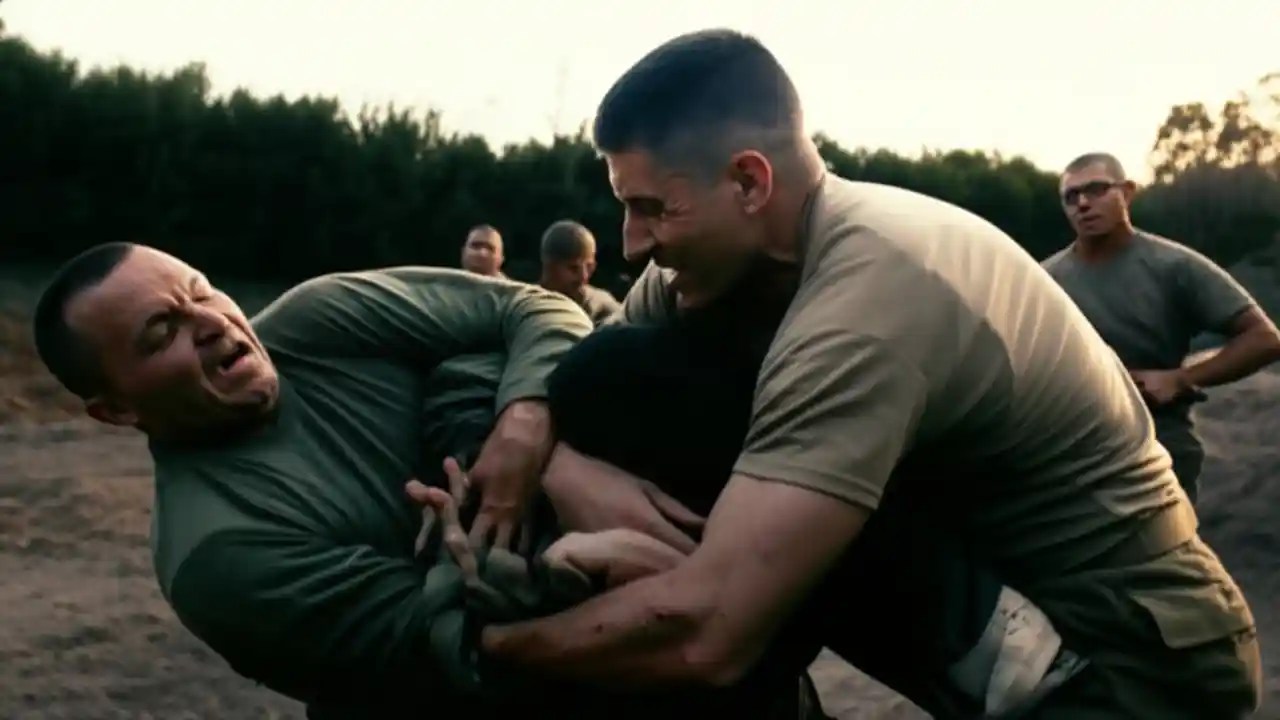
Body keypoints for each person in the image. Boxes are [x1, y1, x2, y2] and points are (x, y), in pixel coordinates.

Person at [462, 29, 1263, 718]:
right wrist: (548, 442)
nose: (631, 244)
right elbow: (591, 366)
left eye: (651, 211)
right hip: (1001, 611)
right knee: (617, 369)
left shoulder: (869, 292)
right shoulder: (718, 265)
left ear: (749, 181)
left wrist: (479, 644)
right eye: (624, 209)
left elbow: (707, 639)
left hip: (1127, 650)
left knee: (722, 594)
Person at [30, 242, 821, 719]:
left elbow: (539, 312)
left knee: (619, 365)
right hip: (515, 690)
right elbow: (469, 650)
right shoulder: (220, 553)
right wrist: (567, 558)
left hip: (609, 584)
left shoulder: (317, 318)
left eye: (200, 291)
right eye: (161, 333)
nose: (211, 322)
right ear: (115, 410)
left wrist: (529, 436)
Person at [1042, 152, 1280, 502]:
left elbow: (1264, 338)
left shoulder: (1173, 266)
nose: (1083, 203)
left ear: (1127, 192)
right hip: (1069, 454)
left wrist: (1180, 378)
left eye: (1096, 190)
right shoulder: (1044, 280)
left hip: (1158, 450)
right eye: (1071, 196)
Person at [538, 219, 623, 326]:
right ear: (550, 267)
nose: (584, 276)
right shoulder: (528, 304)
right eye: (573, 268)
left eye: (589, 266)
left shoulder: (600, 305)